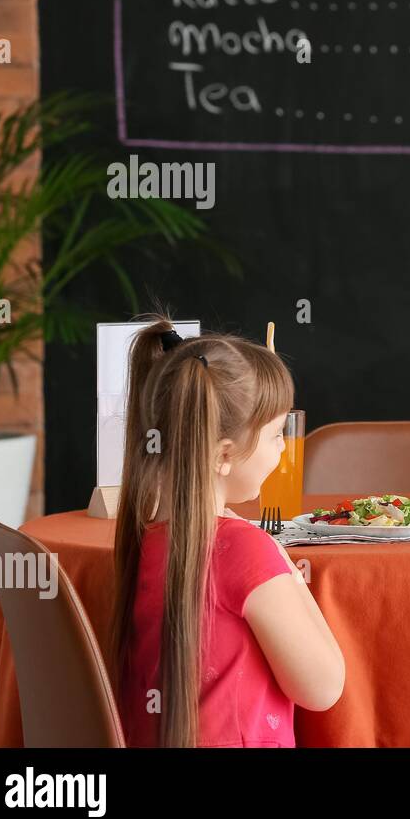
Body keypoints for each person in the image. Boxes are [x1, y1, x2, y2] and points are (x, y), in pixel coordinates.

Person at [110, 316, 344, 746]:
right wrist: (283, 562)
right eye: (276, 434)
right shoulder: (245, 549)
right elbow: (324, 686)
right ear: (224, 455)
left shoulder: (149, 537)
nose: (282, 449)